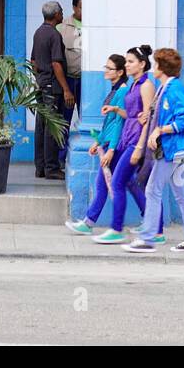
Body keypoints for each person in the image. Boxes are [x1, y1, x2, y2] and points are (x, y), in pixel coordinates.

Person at [126, 48, 184, 254]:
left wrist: (160, 130)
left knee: (152, 190)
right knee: (182, 195)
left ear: (162, 68)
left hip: (172, 150)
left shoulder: (173, 89)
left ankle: (147, 238)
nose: (153, 67)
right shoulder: (166, 88)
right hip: (175, 151)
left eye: (156, 64)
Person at [88, 45, 164, 246]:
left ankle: (116, 229)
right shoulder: (133, 84)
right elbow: (132, 115)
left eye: (131, 61)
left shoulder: (146, 85)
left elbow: (147, 118)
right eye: (127, 61)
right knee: (135, 183)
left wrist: (139, 148)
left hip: (136, 141)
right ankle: (157, 228)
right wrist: (115, 108)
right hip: (128, 138)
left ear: (142, 64)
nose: (127, 65)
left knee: (118, 183)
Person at [64, 54, 126, 234]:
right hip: (106, 143)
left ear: (120, 72)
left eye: (110, 68)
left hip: (113, 146)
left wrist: (111, 149)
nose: (105, 71)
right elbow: (109, 122)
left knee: (107, 185)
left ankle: (95, 224)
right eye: (105, 67)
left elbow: (118, 124)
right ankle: (90, 223)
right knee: (114, 185)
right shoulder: (115, 89)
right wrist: (98, 142)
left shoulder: (122, 91)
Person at [30, 0, 73, 180]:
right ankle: (51, 168)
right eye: (61, 11)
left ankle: (40, 167)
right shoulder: (54, 35)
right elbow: (56, 63)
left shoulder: (38, 32)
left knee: (41, 126)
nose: (63, 14)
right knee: (52, 128)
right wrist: (66, 90)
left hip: (41, 85)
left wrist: (39, 79)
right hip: (52, 87)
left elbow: (33, 62)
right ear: (56, 15)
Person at [56, 0, 83, 162]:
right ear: (74, 8)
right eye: (81, 7)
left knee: (86, 117)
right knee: (64, 120)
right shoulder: (62, 27)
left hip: (87, 82)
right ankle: (61, 157)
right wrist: (66, 88)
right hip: (68, 79)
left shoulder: (96, 26)